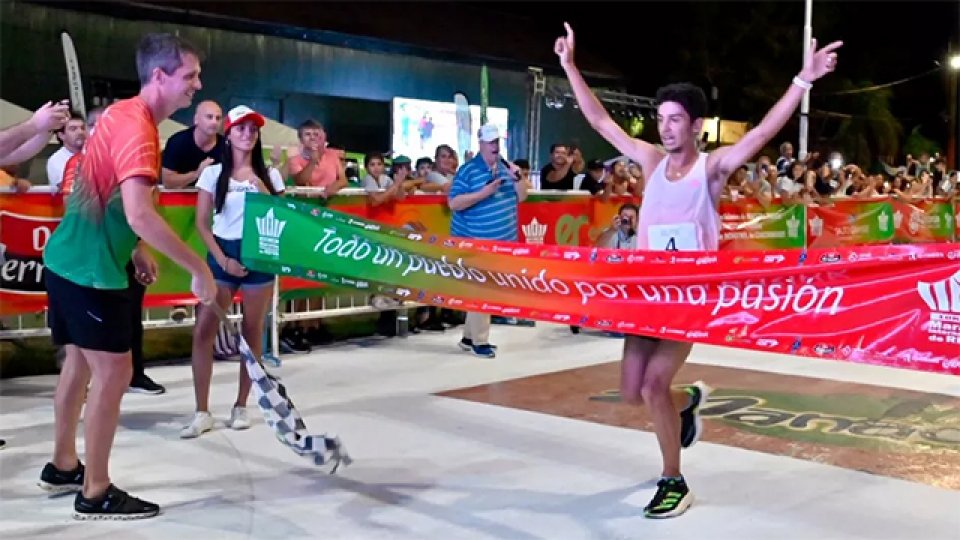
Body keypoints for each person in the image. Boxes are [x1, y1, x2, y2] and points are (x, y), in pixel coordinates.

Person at [556, 22, 841, 518]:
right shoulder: (649, 161)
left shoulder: (712, 169)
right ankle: (687, 401)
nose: (665, 128)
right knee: (632, 392)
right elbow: (601, 121)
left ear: (695, 126)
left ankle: (673, 480)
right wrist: (569, 66)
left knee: (651, 386)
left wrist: (803, 80)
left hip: (688, 300)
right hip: (646, 295)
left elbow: (762, 133)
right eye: (661, 119)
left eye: (675, 120)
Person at [38, 33, 216, 520]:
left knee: (78, 364)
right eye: (190, 76)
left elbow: (111, 194)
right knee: (114, 372)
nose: (197, 85)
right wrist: (199, 267)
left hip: (67, 261)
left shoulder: (120, 114)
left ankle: (63, 464)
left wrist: (135, 248)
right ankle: (95, 491)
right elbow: (139, 211)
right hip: (91, 273)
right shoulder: (138, 128)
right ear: (159, 76)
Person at [181, 105, 285, 439]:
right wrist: (223, 261)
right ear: (228, 133)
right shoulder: (213, 174)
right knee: (204, 329)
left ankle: (241, 405)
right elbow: (202, 223)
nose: (247, 134)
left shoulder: (269, 175)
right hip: (222, 253)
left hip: (259, 254)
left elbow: (283, 217)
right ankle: (201, 410)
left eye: (253, 129)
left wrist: (262, 189)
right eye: (241, 128)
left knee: (253, 331)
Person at [59, 107, 167, 395]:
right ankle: (86, 388)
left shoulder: (135, 159)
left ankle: (134, 376)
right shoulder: (80, 163)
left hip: (123, 256)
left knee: (129, 319)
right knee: (83, 345)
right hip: (89, 263)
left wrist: (139, 245)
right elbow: (77, 210)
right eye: (94, 125)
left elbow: (144, 209)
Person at [448, 124, 528, 357]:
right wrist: (485, 193)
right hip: (475, 241)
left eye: (497, 141)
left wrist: (518, 179)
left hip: (502, 243)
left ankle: (468, 337)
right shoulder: (468, 171)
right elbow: (454, 203)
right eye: (490, 142)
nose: (495, 146)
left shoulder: (506, 168)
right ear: (481, 143)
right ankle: (479, 341)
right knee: (482, 290)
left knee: (485, 289)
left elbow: (522, 197)